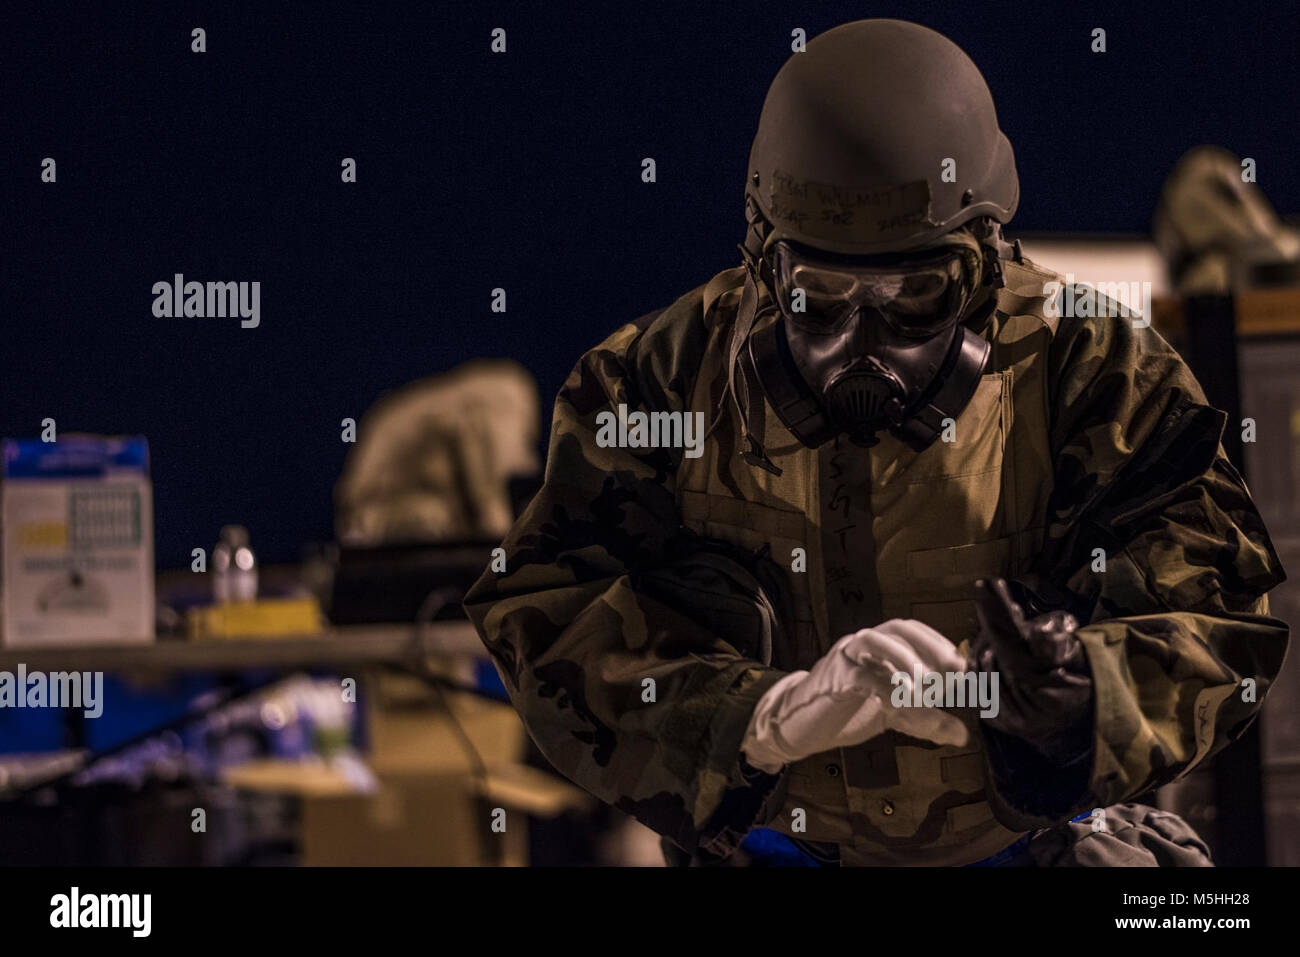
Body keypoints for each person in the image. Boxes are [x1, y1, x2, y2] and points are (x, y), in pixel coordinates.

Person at [464, 19, 1288, 866]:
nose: (864, 340)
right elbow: (547, 609)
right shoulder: (659, 382)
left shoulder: (1090, 366)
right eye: (820, 296)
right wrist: (748, 718)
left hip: (1025, 839)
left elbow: (1216, 608)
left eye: (919, 293)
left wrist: (1081, 698)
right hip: (771, 845)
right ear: (763, 262)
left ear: (985, 261)